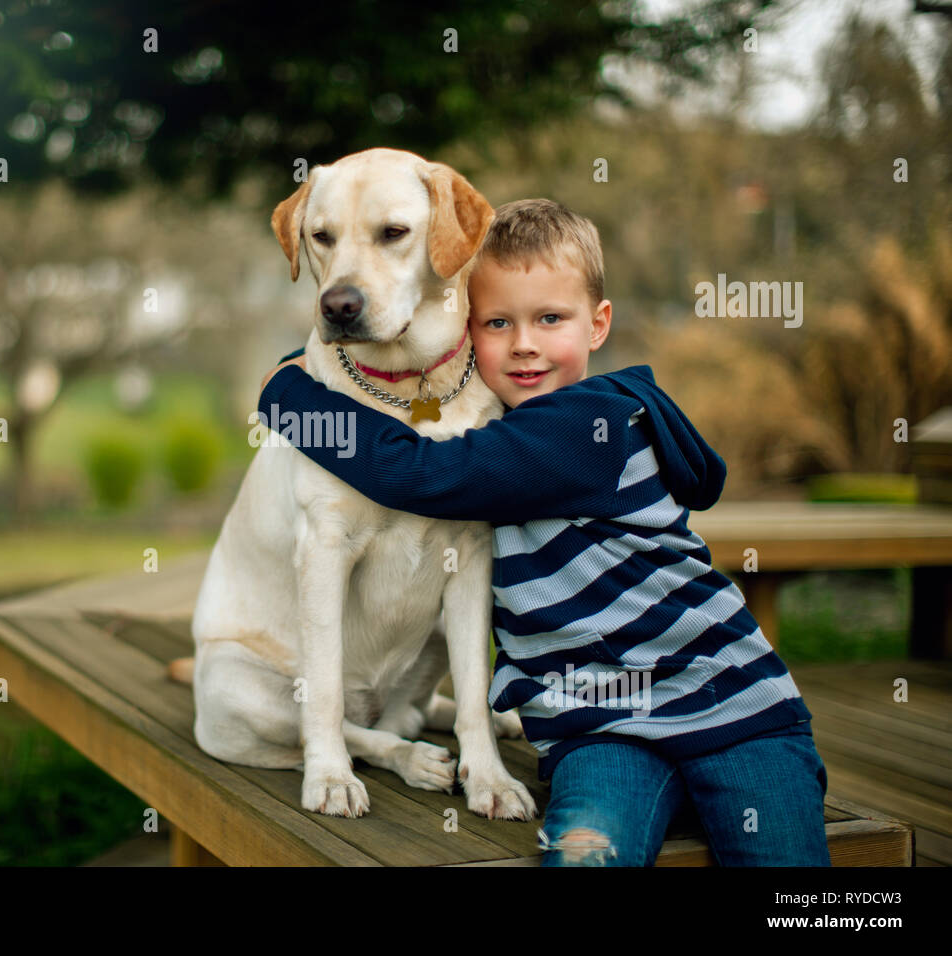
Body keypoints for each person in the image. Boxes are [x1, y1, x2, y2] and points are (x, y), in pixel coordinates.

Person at [257, 198, 830, 866]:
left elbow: (419, 473)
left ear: (598, 324)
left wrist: (286, 391)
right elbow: (423, 427)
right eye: (498, 322)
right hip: (603, 734)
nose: (524, 342)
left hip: (735, 714)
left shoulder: (587, 429)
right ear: (464, 329)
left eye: (550, 319)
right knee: (584, 855)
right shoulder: (500, 428)